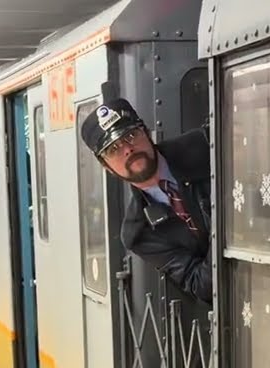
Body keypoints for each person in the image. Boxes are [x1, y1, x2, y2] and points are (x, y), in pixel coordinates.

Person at [79, 99, 212, 303]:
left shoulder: (204, 144)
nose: (127, 150)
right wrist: (227, 228)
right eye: (113, 149)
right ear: (106, 166)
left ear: (146, 132)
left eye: (131, 135)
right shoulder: (139, 232)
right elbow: (200, 285)